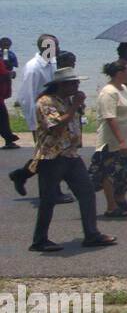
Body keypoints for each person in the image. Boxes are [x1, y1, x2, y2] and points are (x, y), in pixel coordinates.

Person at [27, 67, 117, 252]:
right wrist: (75, 105)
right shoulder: (45, 102)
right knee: (48, 199)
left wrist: (76, 106)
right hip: (52, 156)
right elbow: (57, 128)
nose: (77, 86)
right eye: (73, 83)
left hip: (70, 154)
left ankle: (91, 234)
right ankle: (39, 240)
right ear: (61, 85)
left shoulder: (67, 100)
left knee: (87, 192)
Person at [89, 61, 127, 217]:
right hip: (113, 140)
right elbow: (110, 118)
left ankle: (120, 195)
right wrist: (121, 141)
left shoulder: (124, 89)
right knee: (111, 172)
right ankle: (112, 206)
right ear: (119, 73)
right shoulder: (108, 92)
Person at [10, 34, 61, 197]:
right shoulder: (33, 68)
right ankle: (51, 192)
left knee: (52, 154)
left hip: (53, 117)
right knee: (49, 156)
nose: (58, 49)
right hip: (41, 121)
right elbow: (27, 98)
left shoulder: (52, 64)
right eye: (55, 46)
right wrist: (34, 124)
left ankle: (22, 175)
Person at [0, 37, 19, 148]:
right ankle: (9, 139)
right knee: (3, 117)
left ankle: (9, 138)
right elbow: (5, 73)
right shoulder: (6, 55)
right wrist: (11, 73)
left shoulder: (8, 55)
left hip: (3, 89)